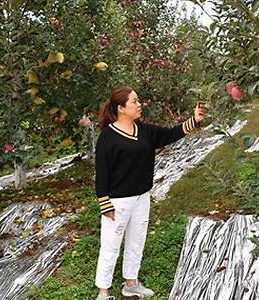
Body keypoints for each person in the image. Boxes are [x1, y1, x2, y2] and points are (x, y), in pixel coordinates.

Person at [94, 86, 206, 299]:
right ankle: (103, 291)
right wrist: (104, 202)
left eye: (138, 100)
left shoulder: (144, 130)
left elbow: (171, 133)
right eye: (134, 101)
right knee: (111, 245)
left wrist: (195, 119)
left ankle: (131, 283)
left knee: (137, 241)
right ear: (121, 108)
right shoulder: (108, 137)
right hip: (118, 201)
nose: (139, 105)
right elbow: (102, 173)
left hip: (142, 197)